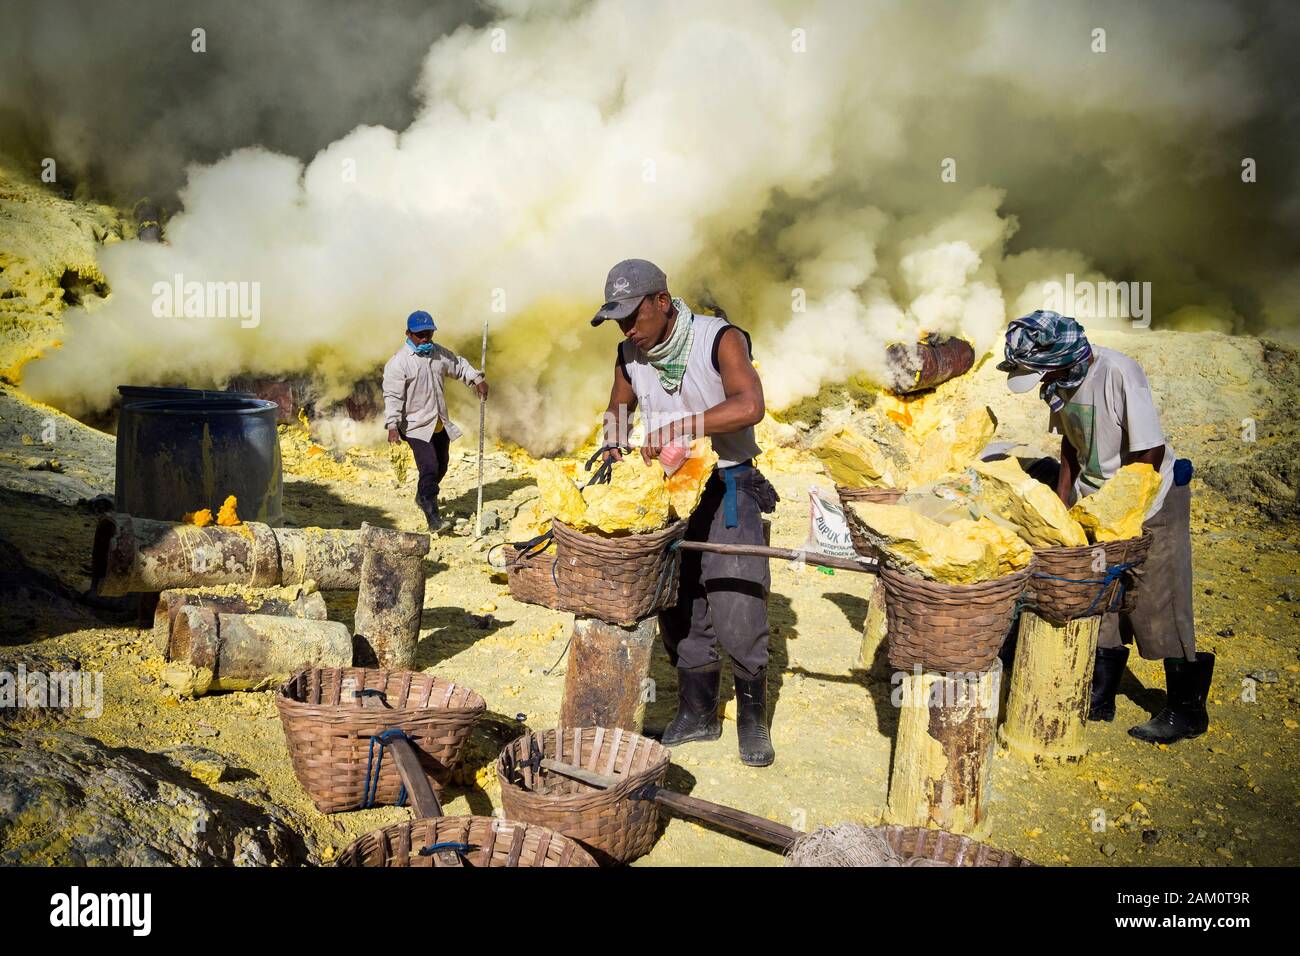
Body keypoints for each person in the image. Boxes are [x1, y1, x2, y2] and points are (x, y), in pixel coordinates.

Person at [592, 258, 780, 767]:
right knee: (677, 602)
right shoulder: (629, 352)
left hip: (728, 484)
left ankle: (752, 718)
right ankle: (697, 713)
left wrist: (682, 426)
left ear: (661, 300)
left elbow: (750, 404)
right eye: (619, 319)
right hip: (671, 490)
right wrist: (612, 443)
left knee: (736, 597)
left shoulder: (720, 340)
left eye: (635, 315)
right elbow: (619, 408)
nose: (629, 328)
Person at [998, 309, 1210, 744]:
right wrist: (1061, 506)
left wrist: (1124, 512)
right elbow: (1071, 444)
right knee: (1101, 595)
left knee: (1156, 599)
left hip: (1150, 499)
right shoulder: (1059, 383)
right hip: (1096, 503)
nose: (1037, 380)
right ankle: (1101, 694)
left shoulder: (1119, 373)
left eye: (1039, 370)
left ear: (1061, 355)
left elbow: (1149, 452)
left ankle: (1186, 711)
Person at [383, 310, 489, 533]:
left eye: (428, 334)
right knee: (429, 467)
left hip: (438, 422)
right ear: (408, 334)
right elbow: (392, 397)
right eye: (420, 334)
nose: (425, 339)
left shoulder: (438, 354)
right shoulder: (399, 363)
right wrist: (392, 426)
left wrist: (476, 380)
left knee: (441, 465)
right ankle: (433, 518)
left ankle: (423, 495)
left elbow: (458, 366)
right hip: (414, 426)